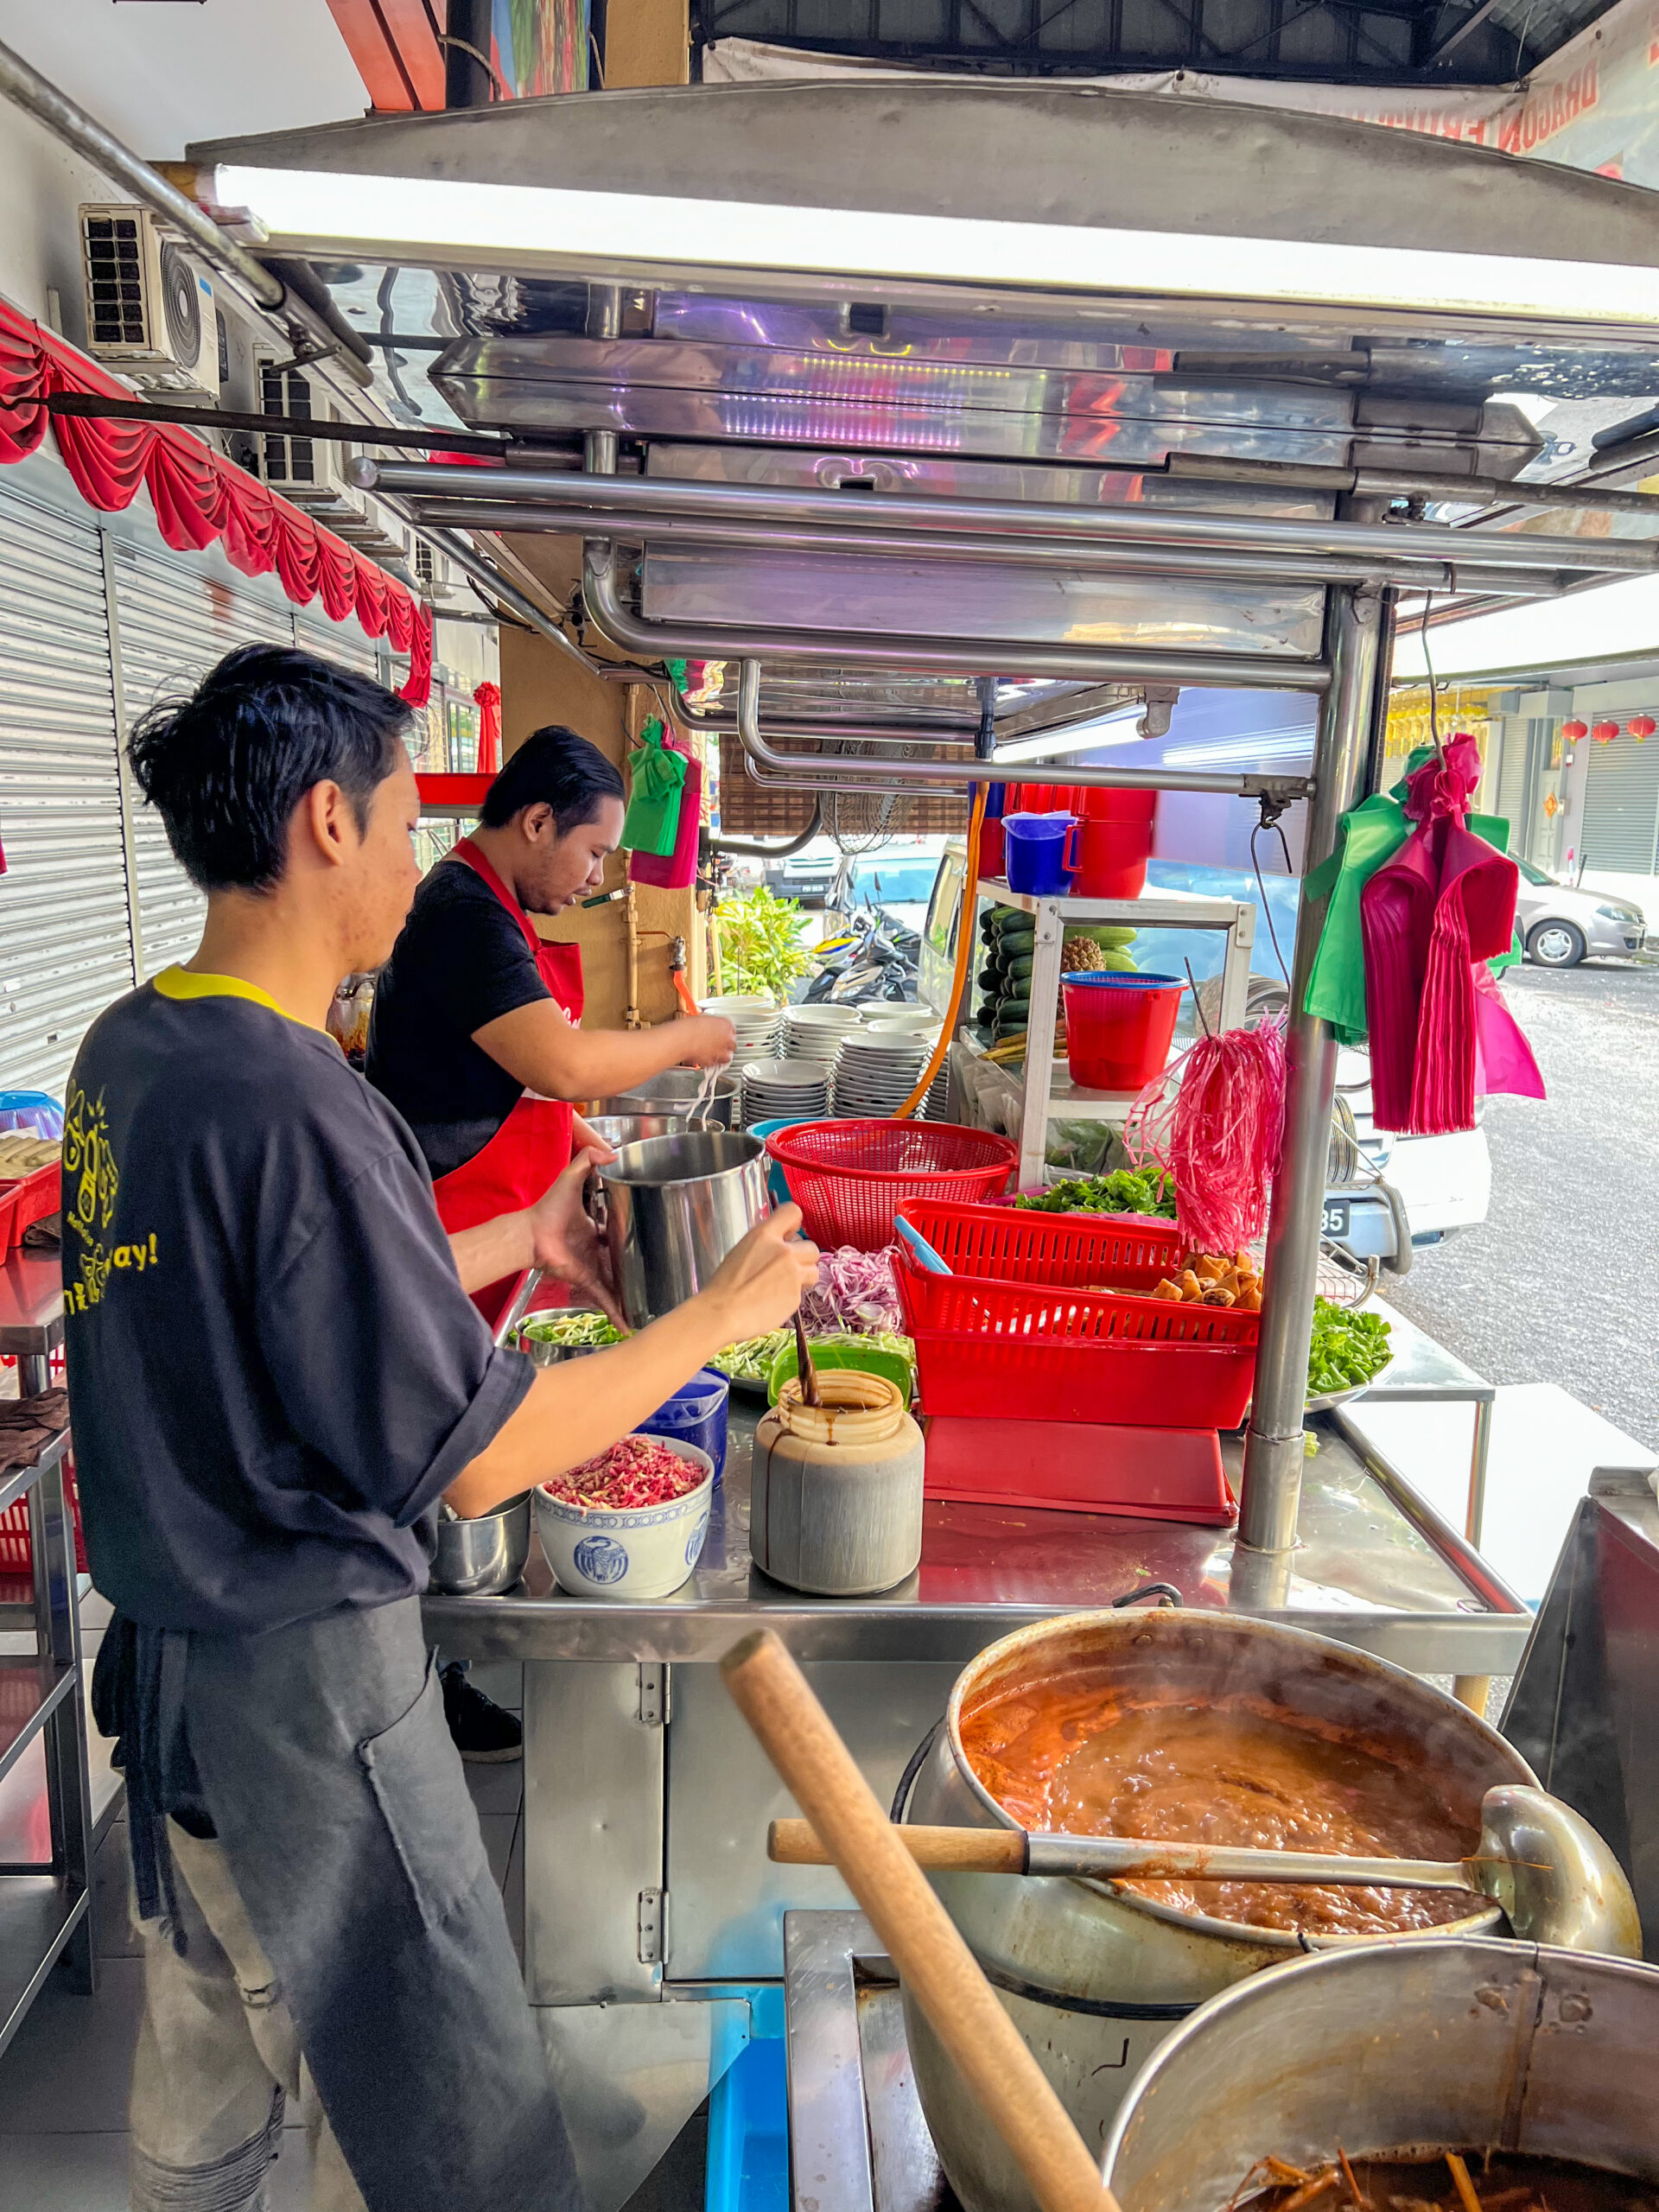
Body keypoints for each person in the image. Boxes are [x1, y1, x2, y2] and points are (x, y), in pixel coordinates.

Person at [65, 645, 816, 2212]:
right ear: (328, 824)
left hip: (170, 1691)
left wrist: (511, 1244)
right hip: (305, 1711)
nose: (421, 864)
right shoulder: (296, 1098)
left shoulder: (132, 1053)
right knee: (428, 2137)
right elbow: (472, 1452)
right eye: (411, 821)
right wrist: (713, 1321)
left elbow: (265, 1302)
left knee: (200, 2105)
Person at [365, 725, 736, 1759]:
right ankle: (413, 1687)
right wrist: (684, 1040)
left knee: (443, 1458)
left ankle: (432, 1672)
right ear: (535, 822)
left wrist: (581, 1148)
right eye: (592, 851)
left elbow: (515, 1076)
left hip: (492, 1228)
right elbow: (564, 1062)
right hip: (445, 1229)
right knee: (430, 1462)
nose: (598, 874)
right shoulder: (461, 910)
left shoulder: (493, 907)